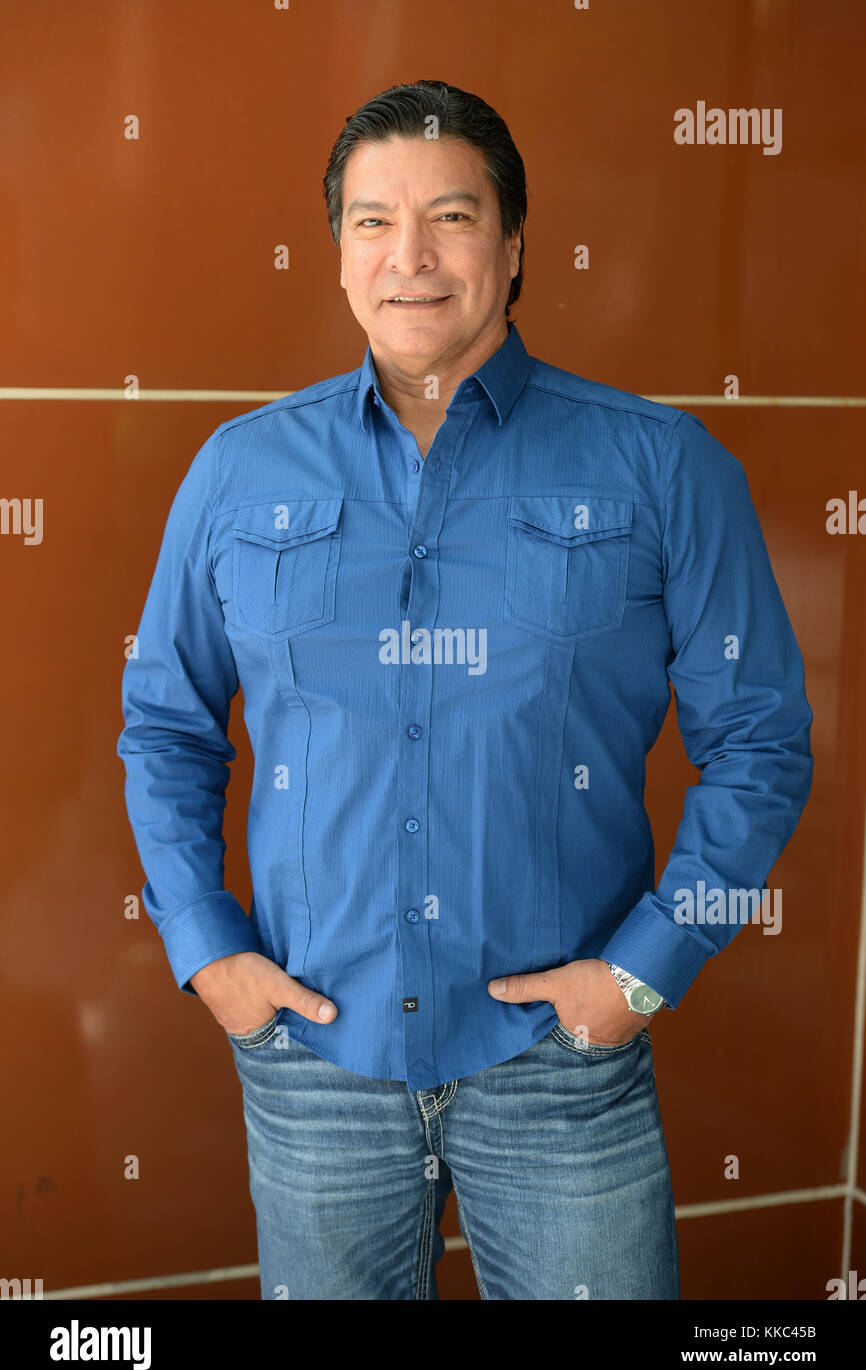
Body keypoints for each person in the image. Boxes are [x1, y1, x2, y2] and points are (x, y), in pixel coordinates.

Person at [116, 79, 813, 1300]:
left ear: (513, 244)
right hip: (315, 1061)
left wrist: (639, 972)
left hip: (558, 1069)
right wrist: (207, 948)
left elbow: (758, 739)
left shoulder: (661, 468)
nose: (411, 257)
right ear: (336, 251)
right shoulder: (236, 471)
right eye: (372, 221)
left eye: (450, 215)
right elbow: (165, 725)